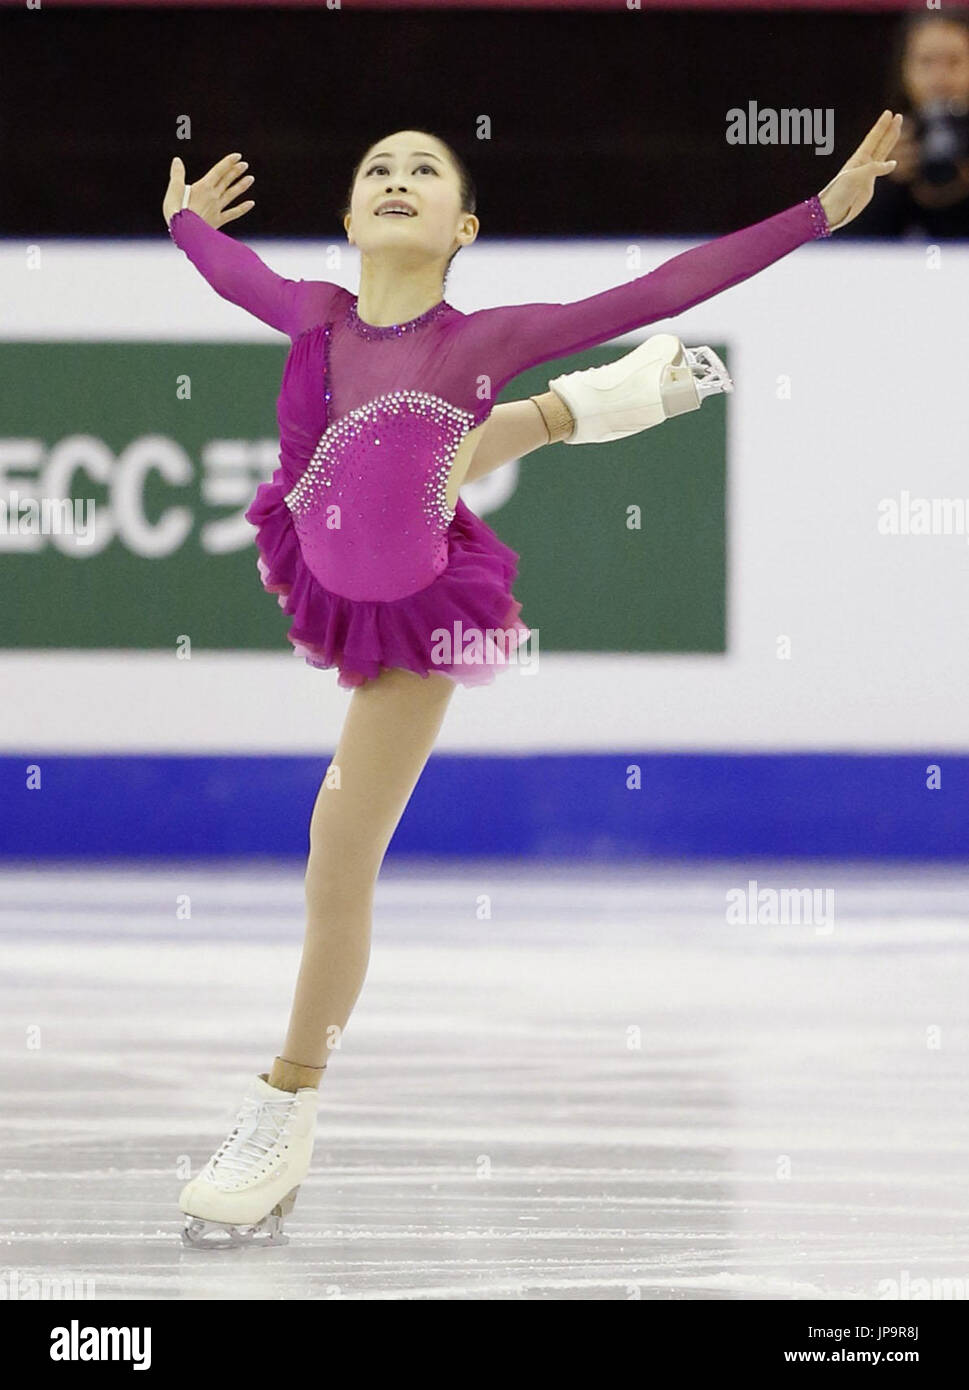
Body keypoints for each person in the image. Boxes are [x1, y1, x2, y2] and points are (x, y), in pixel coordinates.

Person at [163, 114, 899, 1247]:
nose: (396, 180)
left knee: (336, 857)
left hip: (416, 603)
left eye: (424, 172)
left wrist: (821, 209)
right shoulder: (312, 313)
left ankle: (284, 1106)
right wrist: (180, 219)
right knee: (417, 438)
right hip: (321, 536)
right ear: (353, 219)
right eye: (376, 171)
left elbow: (659, 290)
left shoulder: (483, 337)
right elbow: (228, 268)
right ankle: (586, 411)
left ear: (464, 227)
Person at [841, 12, 969, 239]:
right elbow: (845, 249)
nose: (940, 79)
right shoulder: (881, 141)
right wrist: (886, 182)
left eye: (954, 62)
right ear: (904, 70)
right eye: (926, 62)